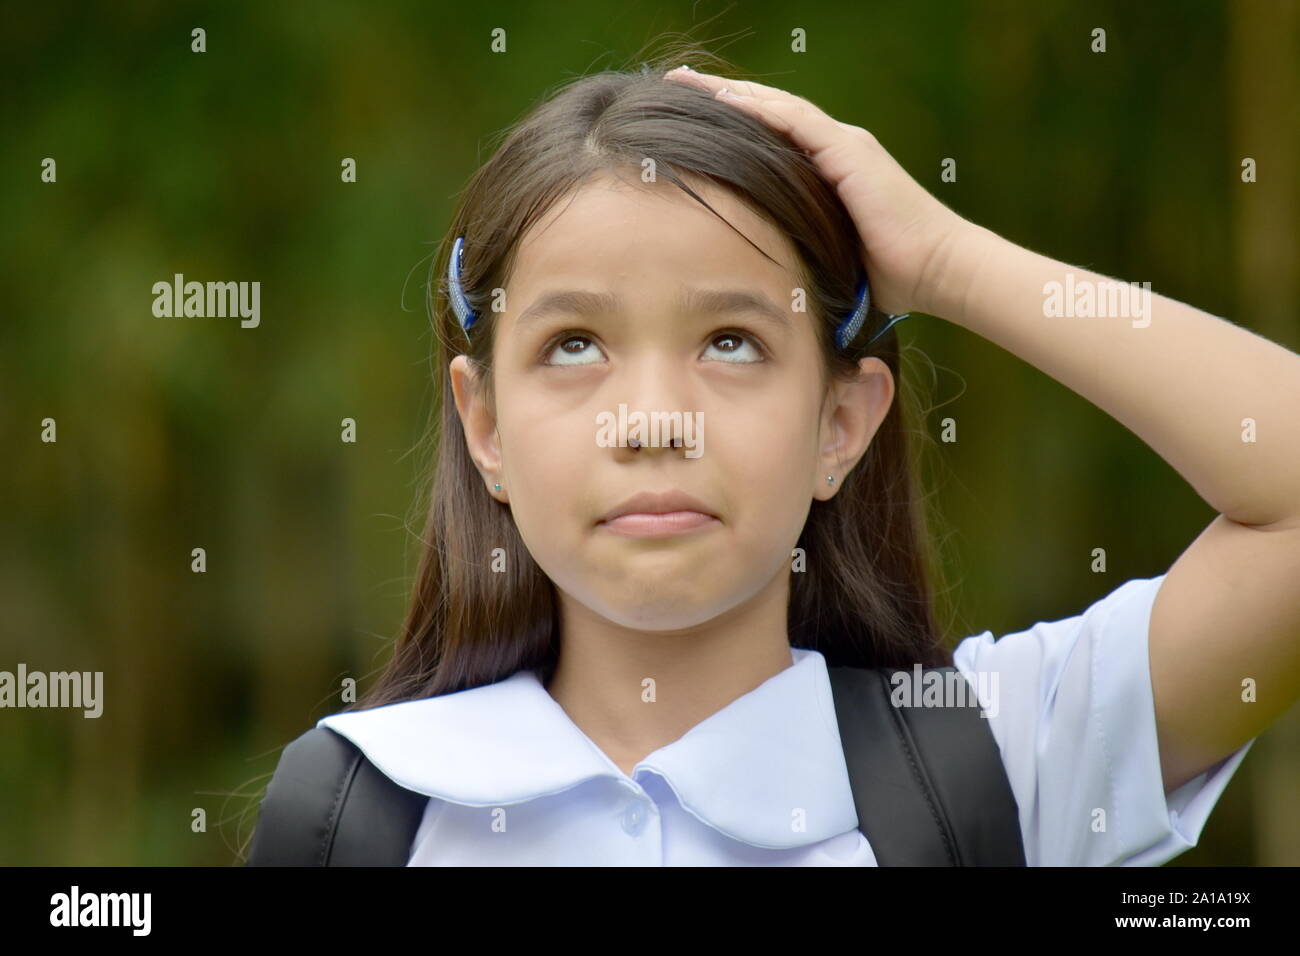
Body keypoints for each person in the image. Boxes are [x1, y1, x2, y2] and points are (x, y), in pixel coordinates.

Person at [251, 52, 1298, 866]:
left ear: (840, 423)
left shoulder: (998, 755)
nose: (654, 420)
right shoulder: (364, 809)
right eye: (573, 344)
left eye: (731, 342)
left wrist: (942, 261)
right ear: (485, 428)